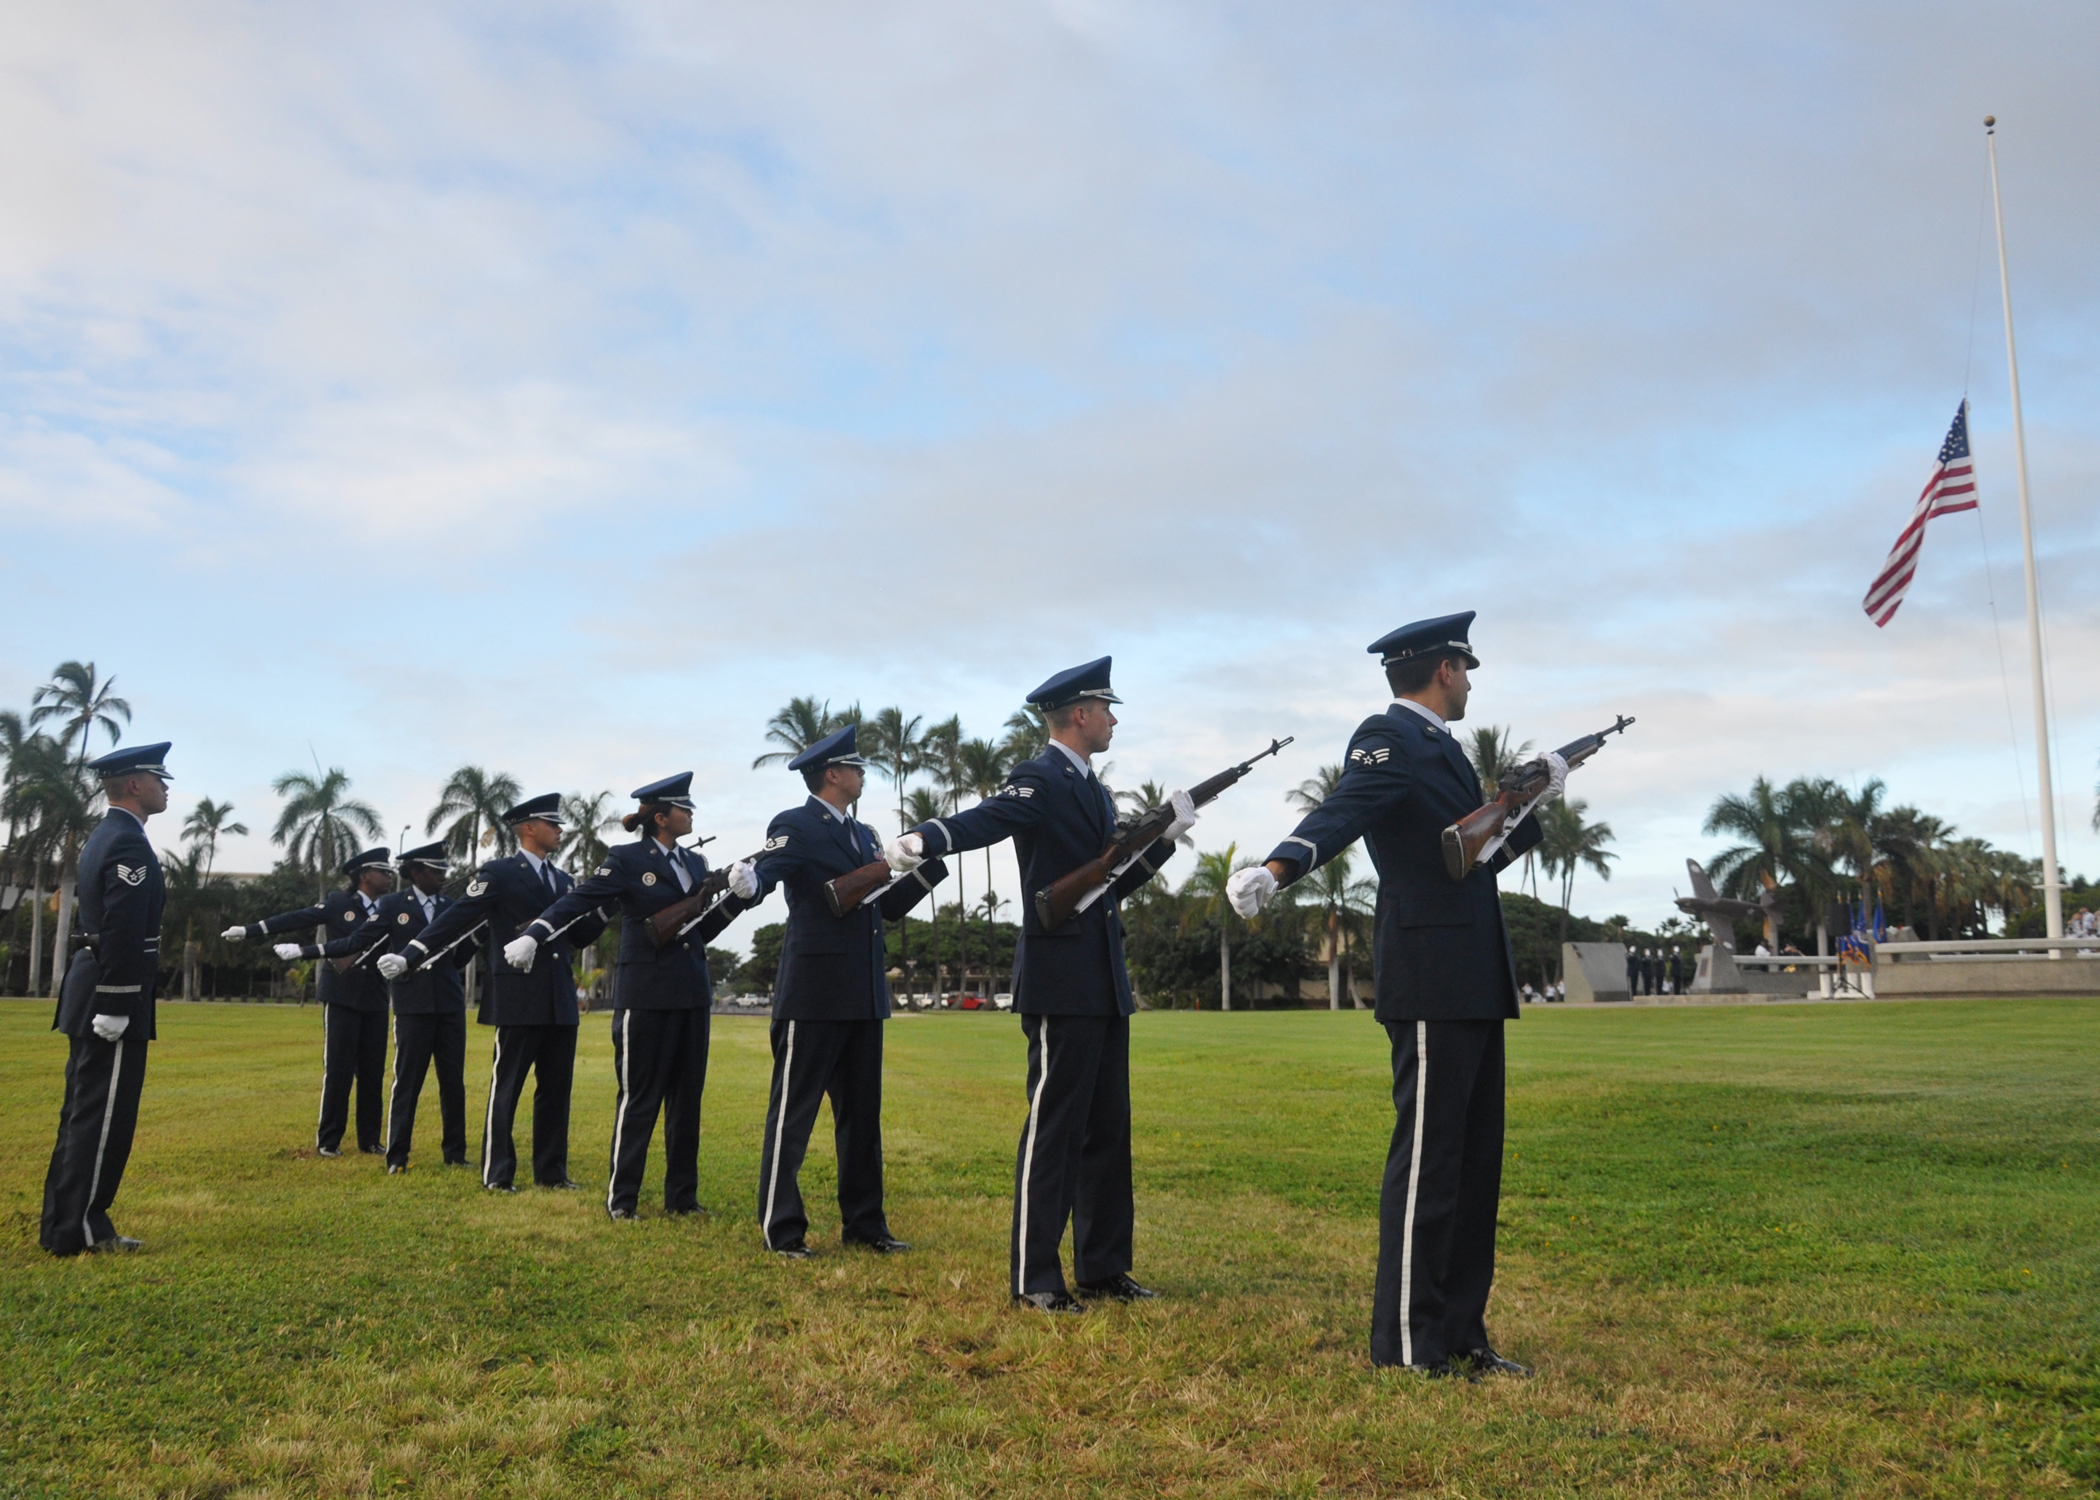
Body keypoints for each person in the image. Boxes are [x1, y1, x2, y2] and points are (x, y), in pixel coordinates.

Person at [1225, 612, 1561, 1377]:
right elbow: (1347, 809)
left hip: (1472, 975)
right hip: (1430, 977)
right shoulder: (1390, 737)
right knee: (1429, 1163)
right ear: (1443, 670)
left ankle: (1463, 1332)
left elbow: (1469, 859)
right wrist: (1279, 868)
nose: (1471, 681)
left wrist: (1526, 802)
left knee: (1475, 1168)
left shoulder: (1443, 750)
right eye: (1466, 669)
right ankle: (1409, 1343)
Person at [883, 657, 1193, 1312]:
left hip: (1103, 980)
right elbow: (989, 818)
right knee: (1054, 1128)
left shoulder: (1097, 791)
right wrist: (928, 836)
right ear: (1078, 715)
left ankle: (1104, 1266)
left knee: (1108, 1130)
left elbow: (1108, 887)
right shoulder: (1041, 777)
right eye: (1105, 709)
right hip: (1060, 979)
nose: (1112, 719)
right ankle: (1035, 1277)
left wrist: (1163, 841)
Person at [726, 725, 949, 1258]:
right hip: (815, 993)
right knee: (793, 1114)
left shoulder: (866, 834)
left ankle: (866, 1225)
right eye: (855, 766)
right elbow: (771, 869)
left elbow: (884, 906)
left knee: (861, 1118)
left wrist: (922, 868)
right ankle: (782, 1231)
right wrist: (750, 884)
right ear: (832, 774)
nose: (862, 773)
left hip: (862, 993)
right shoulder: (796, 823)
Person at [517, 773, 750, 1221]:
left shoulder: (697, 864)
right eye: (684, 808)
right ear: (661, 817)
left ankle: (682, 1197)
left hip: (691, 993)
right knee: (639, 1098)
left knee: (687, 1100)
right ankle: (622, 1199)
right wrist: (536, 933)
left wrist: (737, 898)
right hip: (645, 994)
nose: (691, 814)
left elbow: (701, 931)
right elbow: (579, 901)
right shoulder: (625, 859)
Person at [380, 795, 606, 1192]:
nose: (560, 830)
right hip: (518, 996)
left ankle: (551, 1172)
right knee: (508, 1088)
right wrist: (410, 955)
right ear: (528, 828)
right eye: (551, 823)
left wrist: (606, 905)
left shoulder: (565, 880)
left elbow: (577, 935)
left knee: (556, 1091)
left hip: (558, 998)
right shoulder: (499, 873)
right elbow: (456, 918)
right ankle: (497, 1172)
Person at [40, 743, 172, 1256]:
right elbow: (121, 928)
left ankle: (64, 1225)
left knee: (83, 1113)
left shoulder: (108, 835)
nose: (165, 789)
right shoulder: (127, 844)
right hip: (109, 995)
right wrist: (118, 1001)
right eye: (159, 780)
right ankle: (83, 1229)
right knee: (102, 1118)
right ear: (135, 784)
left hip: (94, 988)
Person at [226, 847, 396, 1156]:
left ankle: (369, 1140)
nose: (389, 877)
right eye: (383, 872)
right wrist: (251, 931)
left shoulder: (389, 907)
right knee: (339, 1070)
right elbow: (296, 918)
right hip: (342, 994)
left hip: (375, 995)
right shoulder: (339, 903)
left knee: (372, 1072)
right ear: (364, 876)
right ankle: (329, 1141)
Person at [337, 841, 472, 1172]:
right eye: (436, 871)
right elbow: (358, 941)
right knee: (407, 1082)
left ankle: (455, 1152)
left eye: (444, 871)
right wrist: (307, 950)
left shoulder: (452, 906)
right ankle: (397, 1155)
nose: (442, 876)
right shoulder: (393, 904)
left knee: (453, 1081)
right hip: (413, 1005)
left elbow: (461, 956)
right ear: (416, 872)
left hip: (449, 1003)